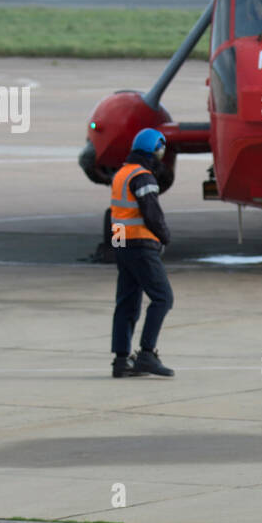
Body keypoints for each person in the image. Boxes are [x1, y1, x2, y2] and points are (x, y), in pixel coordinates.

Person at [109, 128, 174, 377]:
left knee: (127, 302)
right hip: (140, 245)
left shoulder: (121, 174)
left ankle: (121, 360)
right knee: (163, 298)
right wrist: (165, 237)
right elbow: (152, 214)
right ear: (154, 150)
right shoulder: (143, 177)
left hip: (122, 245)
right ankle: (147, 354)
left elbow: (118, 213)